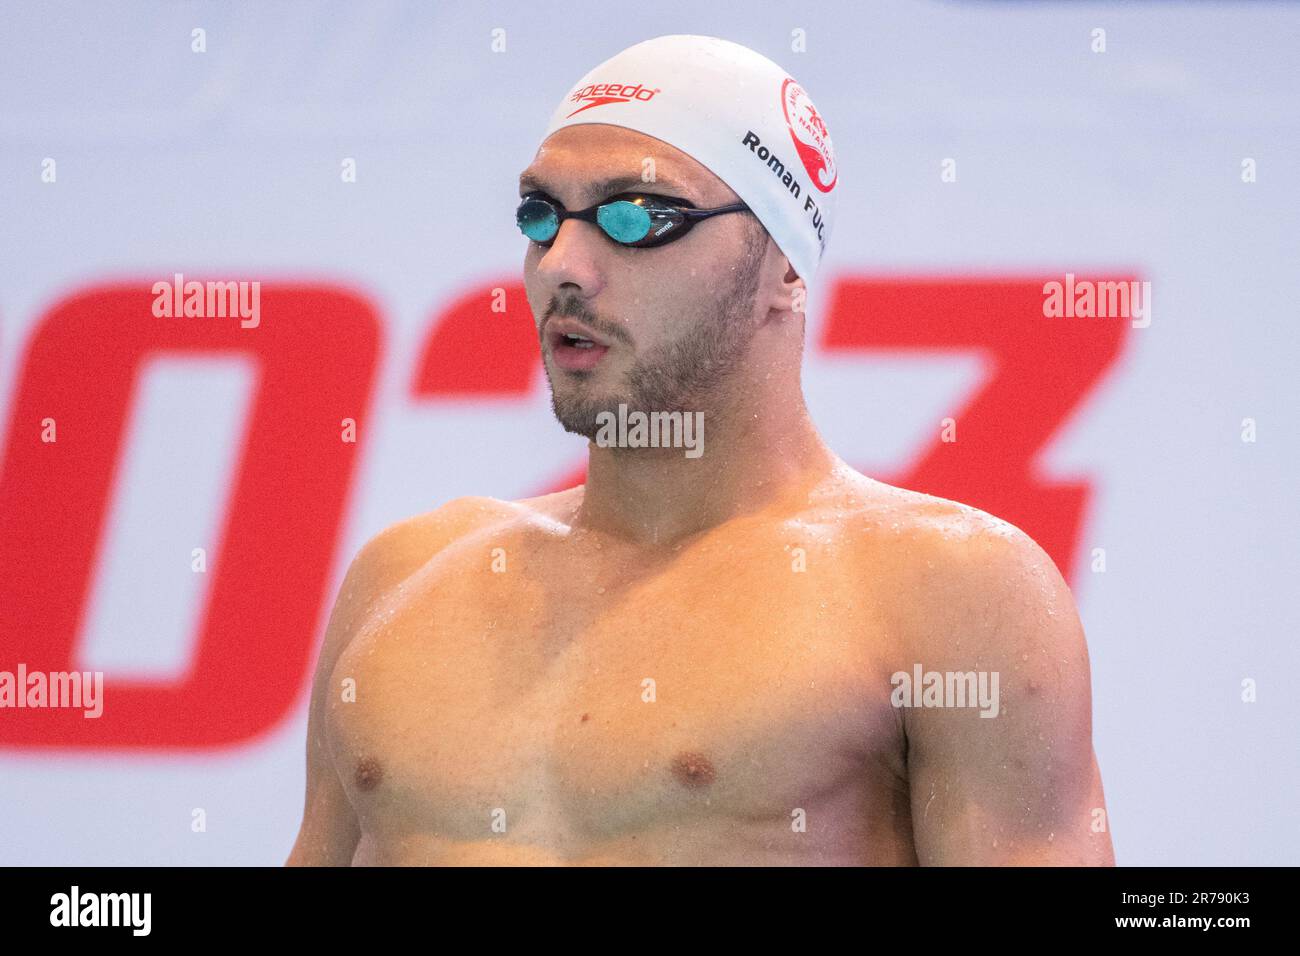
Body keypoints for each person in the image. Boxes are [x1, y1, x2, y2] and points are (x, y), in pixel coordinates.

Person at [286, 35, 1114, 866]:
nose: (563, 266)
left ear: (784, 264)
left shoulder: (949, 594)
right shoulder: (403, 580)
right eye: (541, 214)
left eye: (638, 217)